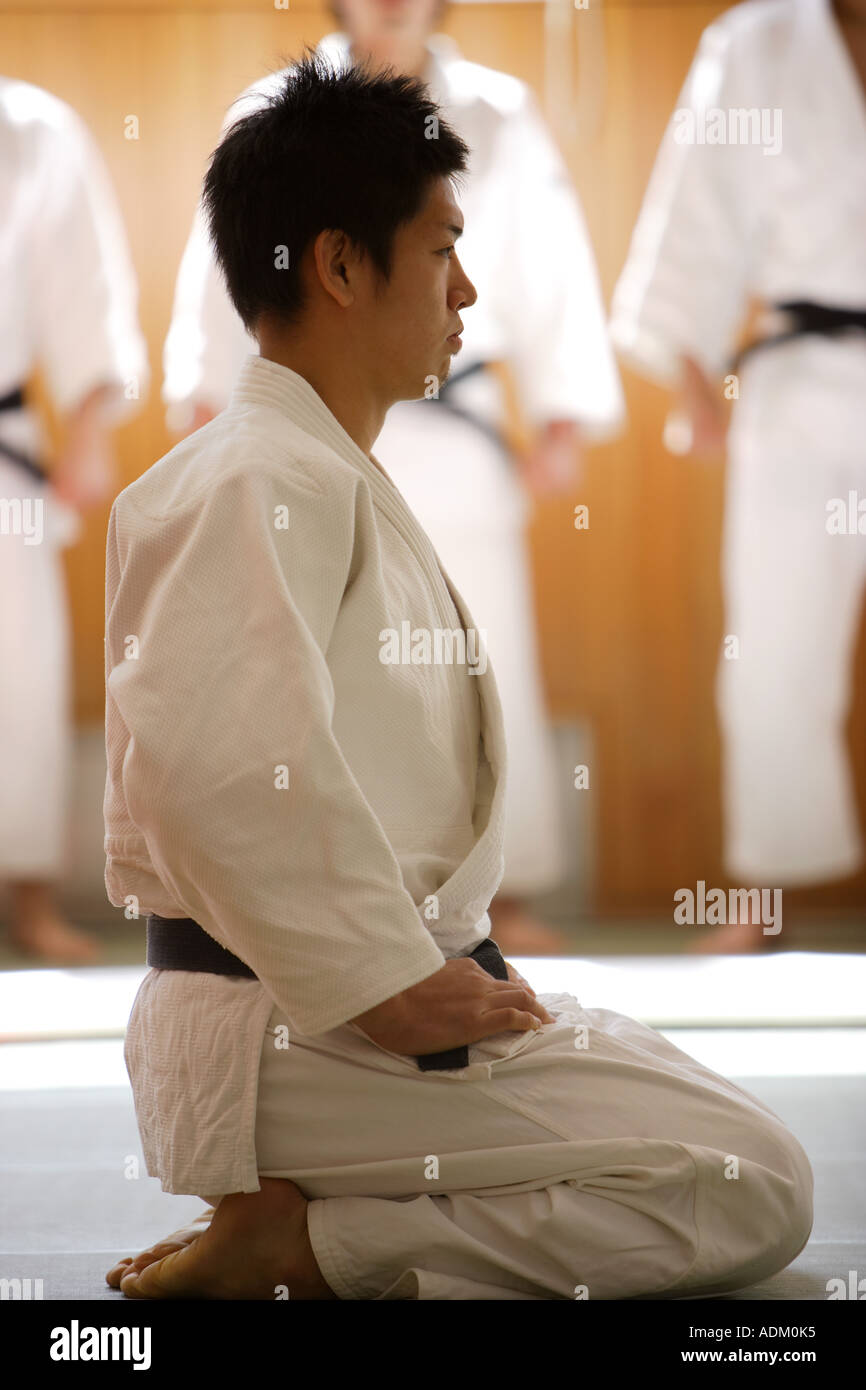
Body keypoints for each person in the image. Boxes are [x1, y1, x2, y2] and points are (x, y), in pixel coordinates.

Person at [103, 55, 811, 1301]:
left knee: (680, 1098)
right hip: (294, 1026)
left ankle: (299, 1215)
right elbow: (213, 768)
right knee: (753, 1182)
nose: (468, 291)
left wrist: (424, 969)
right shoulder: (253, 478)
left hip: (335, 1006)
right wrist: (382, 982)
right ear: (335, 265)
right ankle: (312, 1248)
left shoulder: (310, 468)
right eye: (440, 252)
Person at [162, 0, 626, 956]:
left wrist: (561, 412)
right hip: (319, 413)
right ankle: (346, 901)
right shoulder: (277, 103)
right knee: (322, 655)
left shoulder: (497, 109)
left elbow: (549, 262)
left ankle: (503, 889)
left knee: (479, 649)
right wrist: (210, 397)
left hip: (458, 417)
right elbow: (232, 258)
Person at [611, 0, 866, 952]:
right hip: (804, 378)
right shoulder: (757, 44)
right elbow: (697, 209)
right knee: (774, 647)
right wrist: (692, 377)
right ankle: (763, 903)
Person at [0, 77, 148, 963]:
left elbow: (84, 284)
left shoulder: (33, 128)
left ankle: (29, 895)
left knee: (20, 670)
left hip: (6, 441)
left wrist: (88, 428)